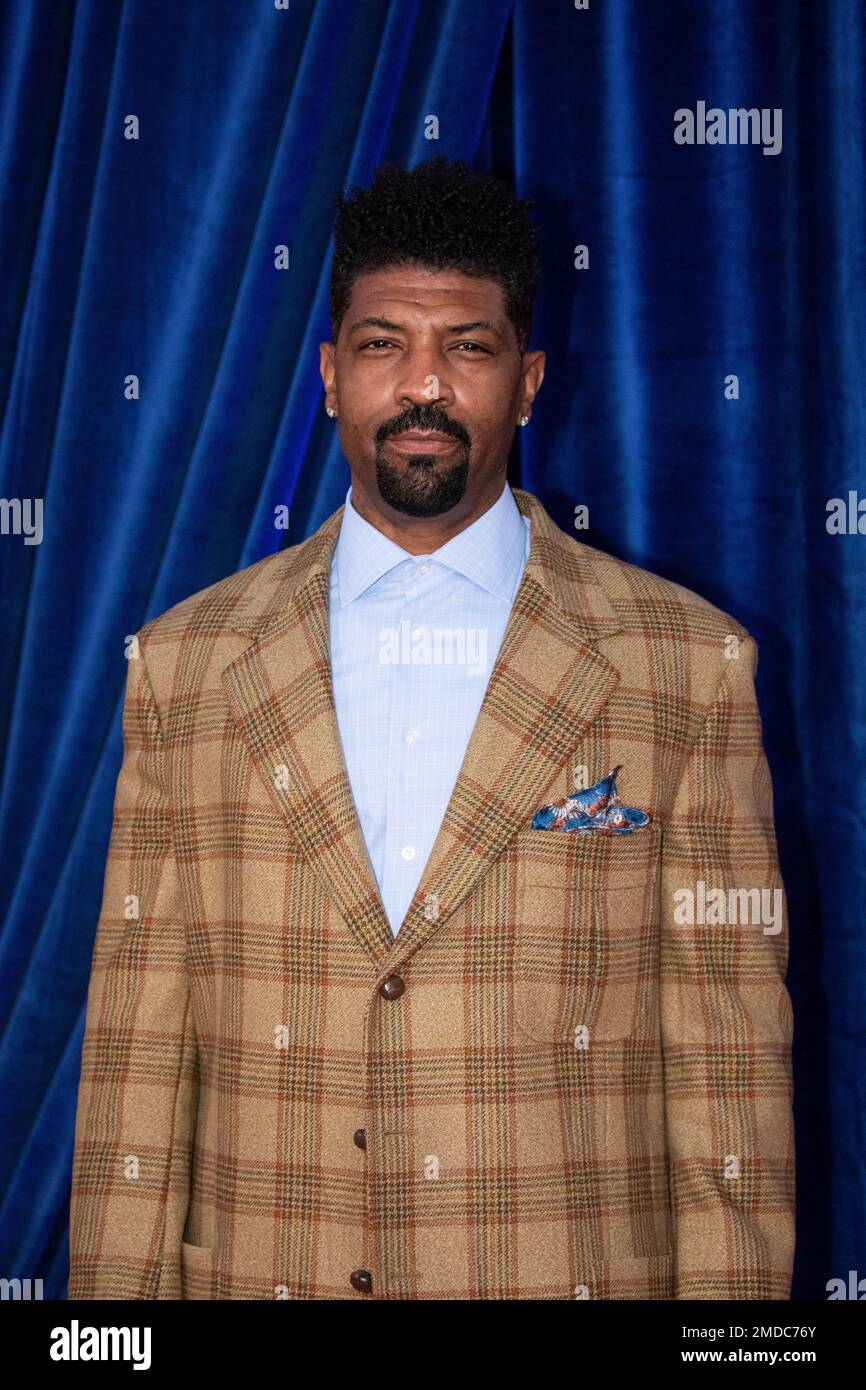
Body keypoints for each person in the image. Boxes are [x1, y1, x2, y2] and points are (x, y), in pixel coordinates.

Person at [68, 156, 795, 1300]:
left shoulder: (683, 665)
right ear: (325, 375)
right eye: (380, 345)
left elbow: (728, 1079)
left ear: (526, 379)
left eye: (465, 346)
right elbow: (136, 1052)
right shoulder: (188, 664)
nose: (422, 385)